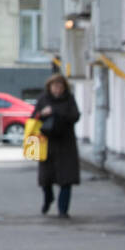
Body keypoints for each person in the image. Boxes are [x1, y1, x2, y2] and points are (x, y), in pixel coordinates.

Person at [32, 74, 80, 217]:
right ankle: (48, 198)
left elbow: (75, 116)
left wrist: (57, 112)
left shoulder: (69, 99)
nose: (57, 90)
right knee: (46, 179)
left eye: (60, 87)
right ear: (49, 87)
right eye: (55, 87)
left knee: (67, 180)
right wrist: (42, 113)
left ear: (64, 88)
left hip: (66, 145)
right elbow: (32, 118)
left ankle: (63, 211)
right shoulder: (43, 99)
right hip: (46, 144)